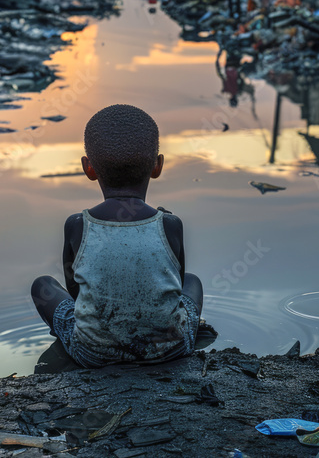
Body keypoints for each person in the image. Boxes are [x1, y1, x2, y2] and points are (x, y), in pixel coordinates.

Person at [30, 105, 203, 367]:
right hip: (169, 350)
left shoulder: (77, 225)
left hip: (93, 355)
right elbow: (175, 288)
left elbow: (75, 292)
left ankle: (77, 344)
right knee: (193, 282)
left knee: (42, 285)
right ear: (157, 166)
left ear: (89, 168)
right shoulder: (170, 224)